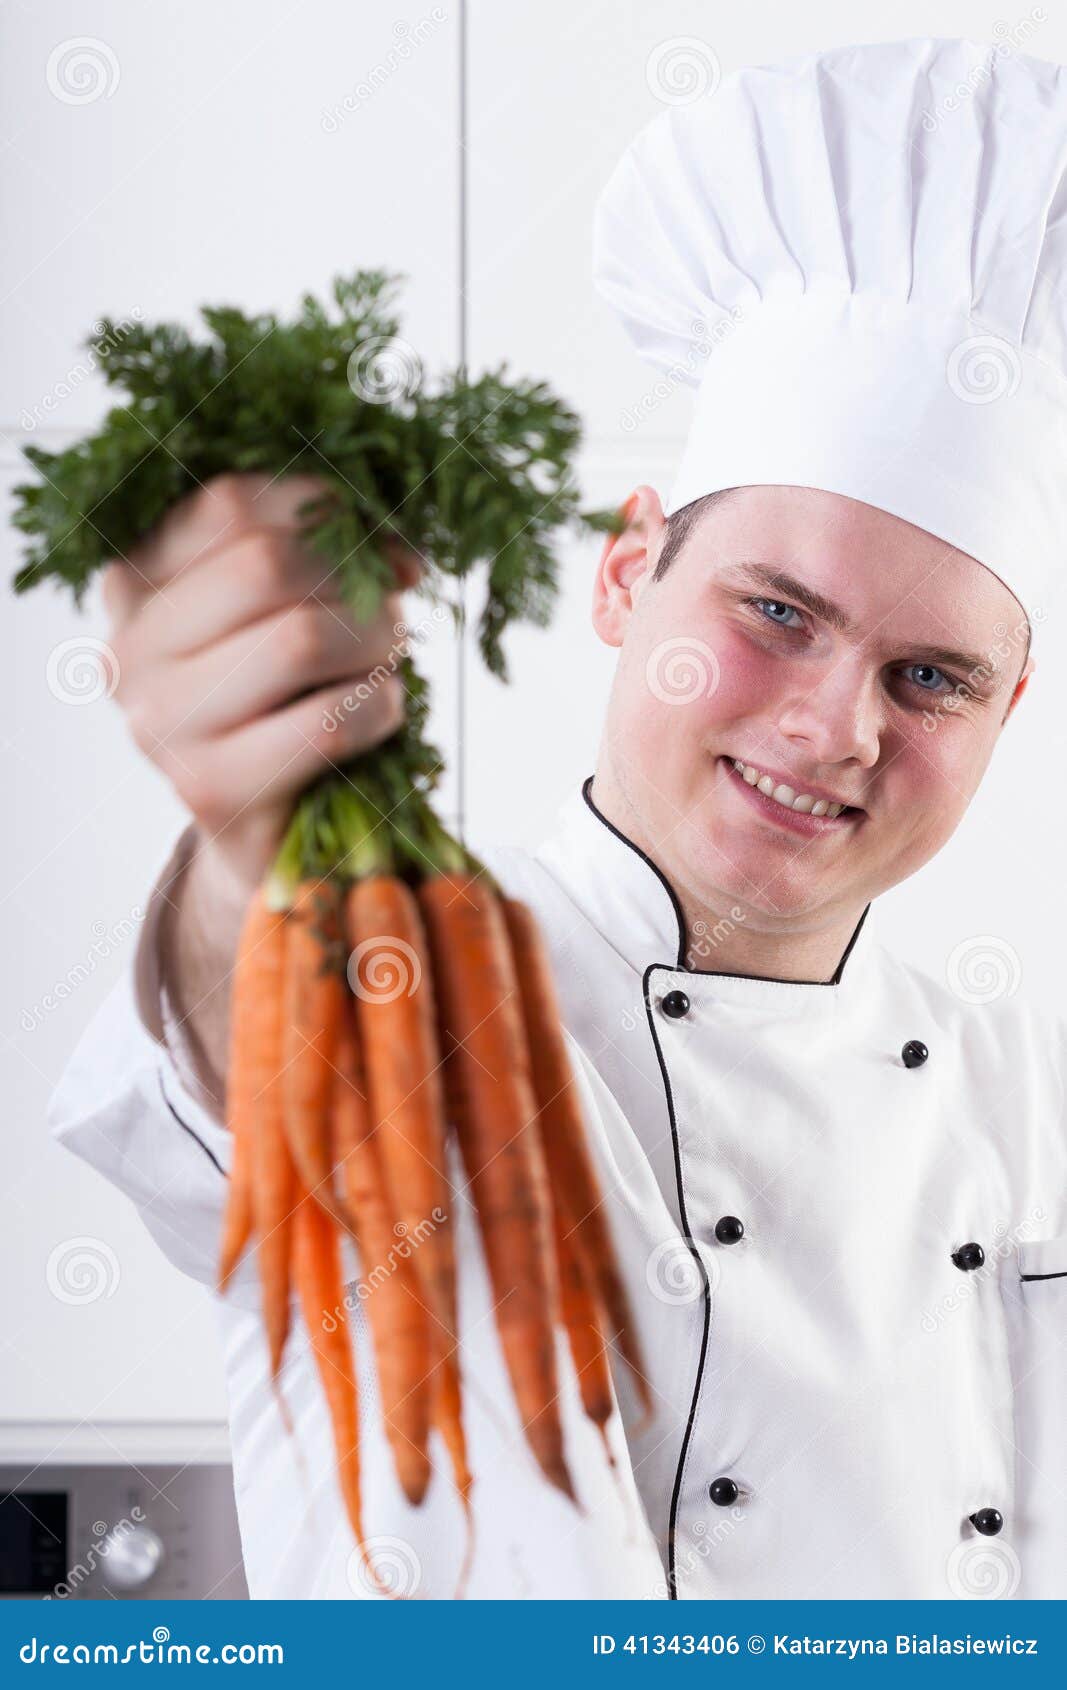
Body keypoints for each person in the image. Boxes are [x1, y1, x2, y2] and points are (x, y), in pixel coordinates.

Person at [50, 37, 1067, 1600]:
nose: (834, 726)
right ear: (622, 570)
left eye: (930, 675)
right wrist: (255, 814)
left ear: (1008, 712)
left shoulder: (1021, 1093)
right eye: (778, 613)